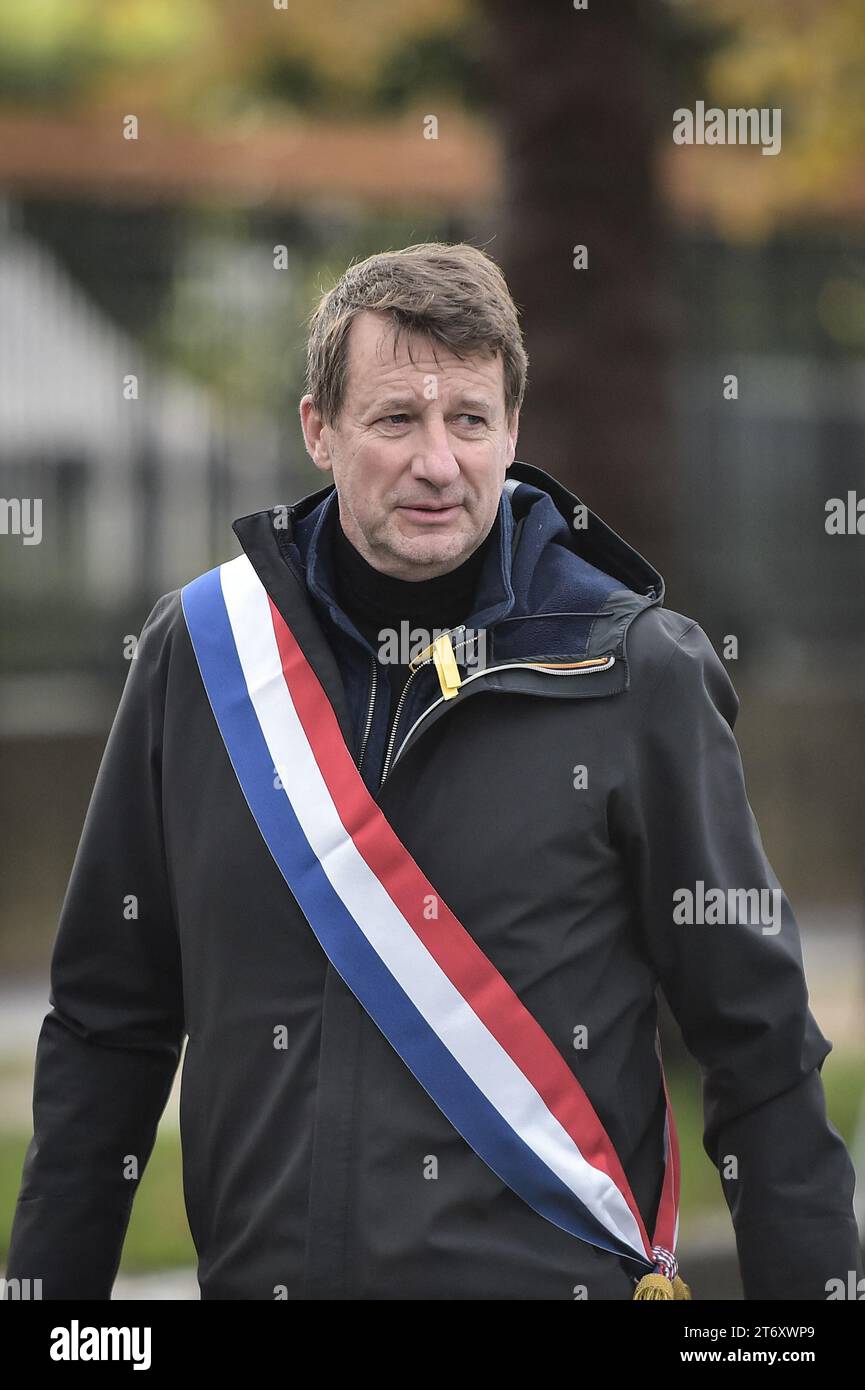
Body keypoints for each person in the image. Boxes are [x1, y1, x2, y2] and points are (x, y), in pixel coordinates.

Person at [5, 242, 861, 1301]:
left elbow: (758, 1042)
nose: (438, 462)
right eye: (395, 419)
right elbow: (106, 1023)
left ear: (512, 432)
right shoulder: (200, 654)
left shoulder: (638, 671)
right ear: (317, 429)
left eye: (468, 419)